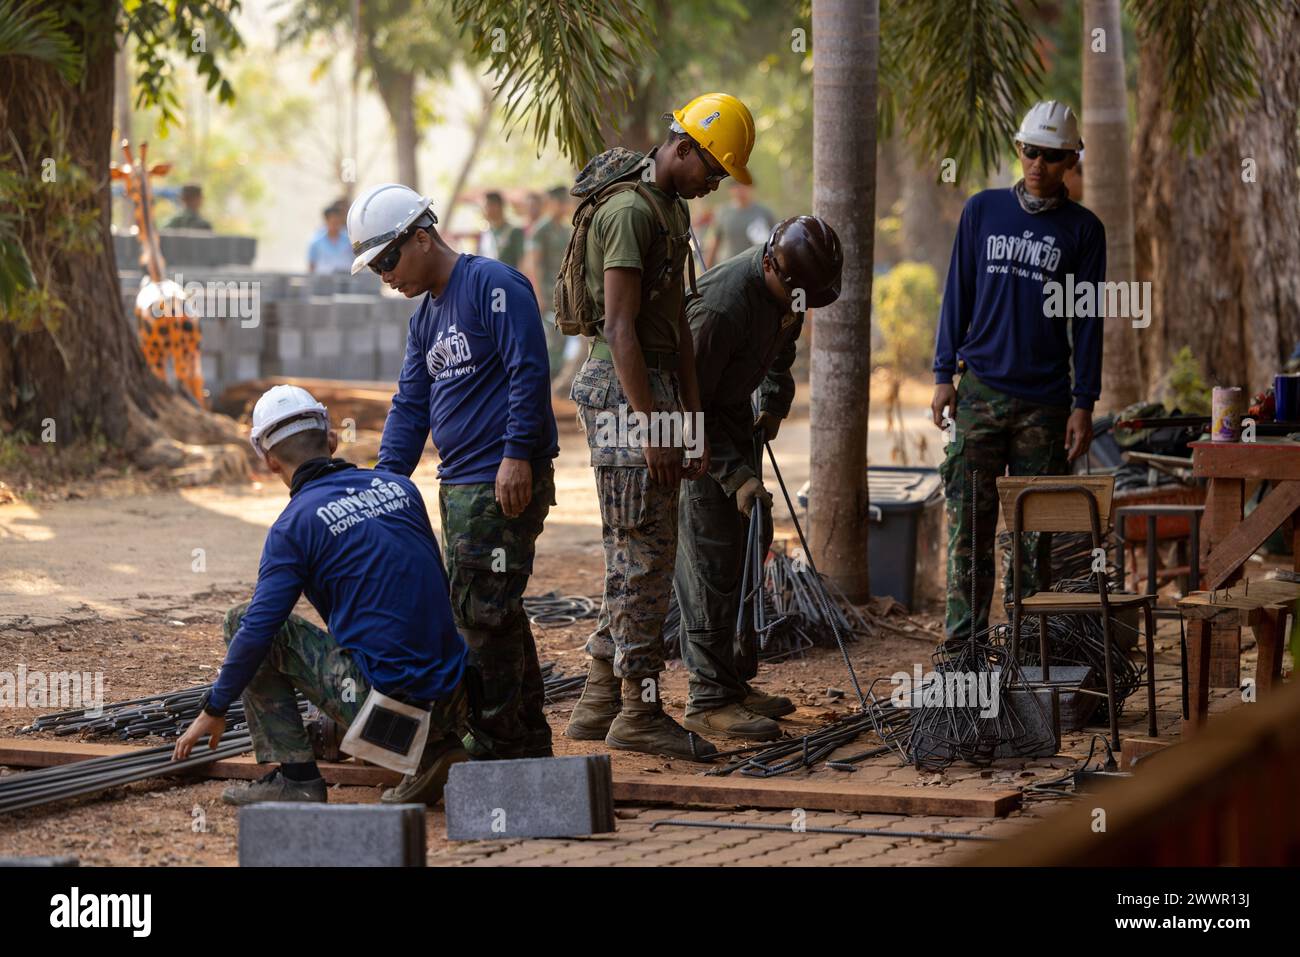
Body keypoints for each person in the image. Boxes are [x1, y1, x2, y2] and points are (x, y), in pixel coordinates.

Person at [563, 92, 756, 761]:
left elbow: (676, 324)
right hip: (624, 396)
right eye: (712, 168)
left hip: (657, 390)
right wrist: (651, 425)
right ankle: (638, 713)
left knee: (640, 553)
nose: (714, 183)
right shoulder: (627, 212)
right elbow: (619, 328)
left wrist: (691, 424)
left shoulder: (669, 212)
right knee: (641, 554)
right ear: (681, 147)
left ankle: (597, 699)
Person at [173, 385, 469, 807]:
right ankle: (439, 739)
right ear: (331, 440)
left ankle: (298, 778)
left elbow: (259, 629)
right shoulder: (399, 488)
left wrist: (215, 707)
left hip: (390, 721)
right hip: (459, 699)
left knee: (242, 621)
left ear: (270, 460)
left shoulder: (294, 527)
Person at [347, 183, 560, 761]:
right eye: (376, 268)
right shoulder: (425, 320)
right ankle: (524, 735)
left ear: (422, 236)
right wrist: (385, 483)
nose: (385, 275)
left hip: (501, 479)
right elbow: (410, 405)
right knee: (493, 608)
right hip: (461, 486)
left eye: (388, 260)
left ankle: (495, 744)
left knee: (479, 615)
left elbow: (527, 371)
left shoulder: (494, 285)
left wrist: (516, 455)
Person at [930, 100, 1104, 643]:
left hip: (1047, 405)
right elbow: (956, 294)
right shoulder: (981, 211)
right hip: (979, 391)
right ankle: (963, 652)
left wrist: (1084, 402)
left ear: (1071, 160)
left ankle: (1028, 653)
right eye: (1031, 152)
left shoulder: (1084, 231)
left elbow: (1090, 321)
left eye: (1053, 157)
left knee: (1034, 537)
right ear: (1017, 150)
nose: (1038, 165)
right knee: (970, 528)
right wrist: (942, 374)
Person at [676, 216, 842, 739]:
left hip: (728, 414)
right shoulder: (721, 308)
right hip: (689, 431)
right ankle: (707, 699)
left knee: (752, 541)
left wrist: (772, 405)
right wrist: (734, 475)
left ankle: (734, 684)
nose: (801, 307)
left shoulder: (791, 293)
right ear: (770, 263)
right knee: (710, 563)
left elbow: (782, 348)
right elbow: (685, 410)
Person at [525, 185, 575, 379]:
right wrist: (538, 295)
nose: (564, 207)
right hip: (546, 293)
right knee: (551, 339)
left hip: (563, 292)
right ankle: (548, 380)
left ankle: (556, 378)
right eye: (561, 203)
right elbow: (534, 265)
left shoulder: (564, 230)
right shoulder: (541, 230)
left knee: (562, 338)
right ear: (552, 203)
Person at [706, 181, 774, 266]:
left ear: (751, 187)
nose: (740, 190)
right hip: (728, 267)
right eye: (737, 187)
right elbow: (714, 243)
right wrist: (706, 269)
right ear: (731, 190)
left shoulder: (764, 212)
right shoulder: (722, 213)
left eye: (744, 186)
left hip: (756, 267)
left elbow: (774, 241)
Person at [478, 191, 526, 269]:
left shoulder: (514, 231)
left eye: (486, 206)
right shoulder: (485, 232)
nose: (484, 210)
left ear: (496, 206)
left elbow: (522, 261)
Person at [307, 200, 353, 274]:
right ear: (326, 221)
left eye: (337, 222)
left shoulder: (350, 239)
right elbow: (311, 265)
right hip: (323, 280)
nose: (335, 225)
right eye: (333, 222)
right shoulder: (316, 242)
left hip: (346, 280)